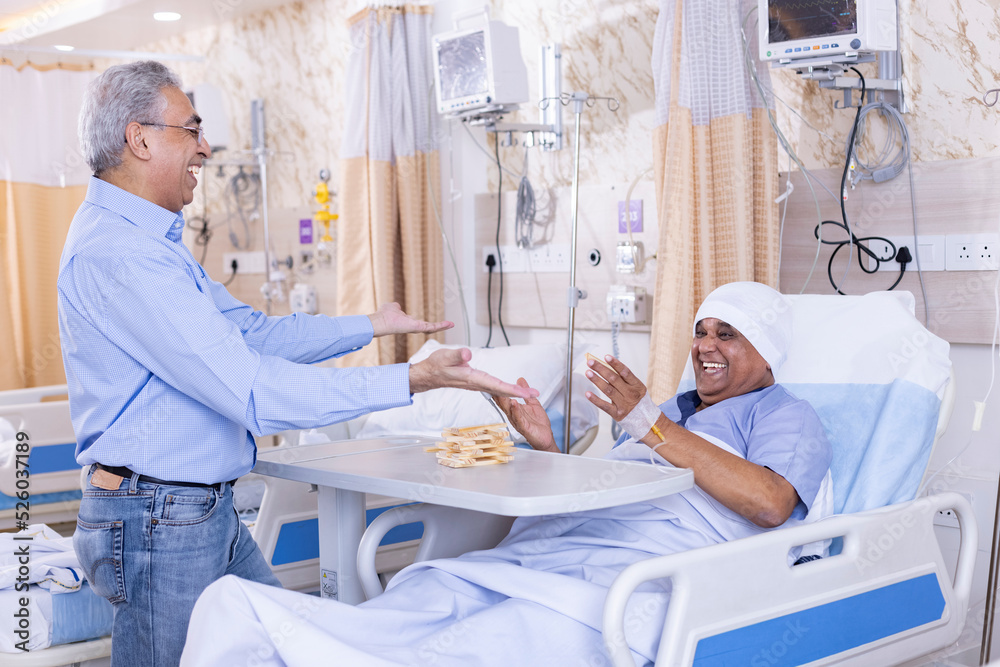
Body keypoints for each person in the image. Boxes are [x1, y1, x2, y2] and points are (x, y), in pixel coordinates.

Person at [57, 60, 536, 667]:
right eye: (192, 130)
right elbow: (253, 391)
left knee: (281, 651)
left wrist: (369, 326)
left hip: (198, 511)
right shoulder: (122, 254)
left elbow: (250, 334)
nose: (205, 149)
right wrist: (410, 379)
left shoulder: (150, 243)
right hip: (159, 521)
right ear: (140, 138)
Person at [178, 281, 833, 667]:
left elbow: (771, 501)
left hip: (616, 589)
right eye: (701, 331)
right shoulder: (671, 412)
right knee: (265, 610)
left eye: (729, 335)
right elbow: (599, 494)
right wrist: (544, 447)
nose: (705, 347)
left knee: (451, 653)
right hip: (535, 561)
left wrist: (647, 422)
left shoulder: (783, 414)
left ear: (767, 353)